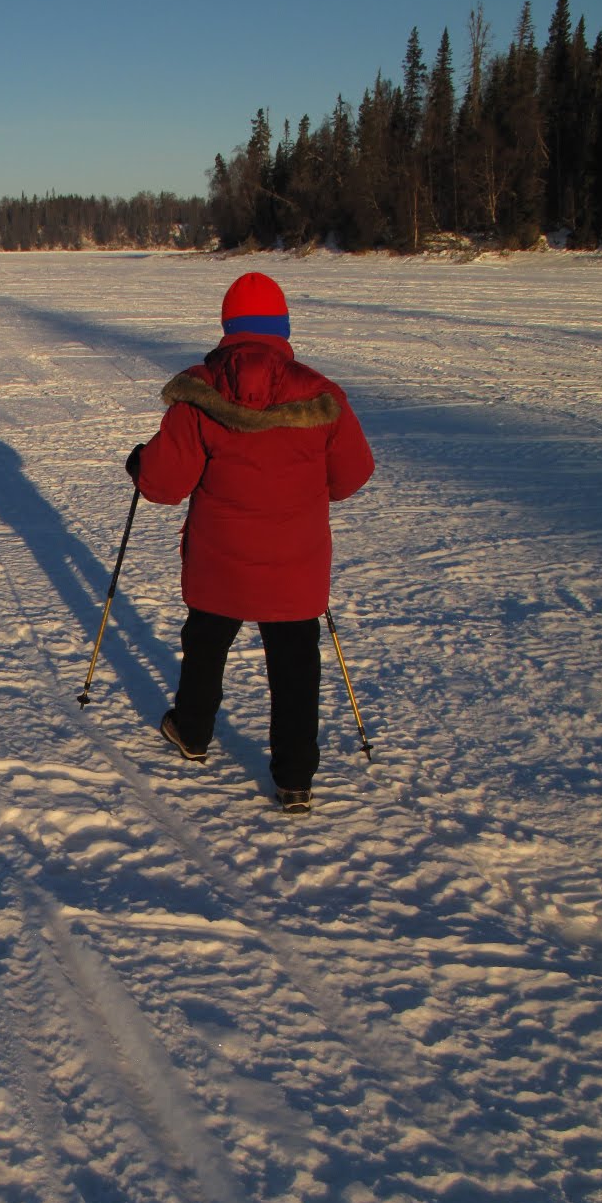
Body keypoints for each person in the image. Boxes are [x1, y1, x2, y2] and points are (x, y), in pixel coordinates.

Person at [126, 271, 374, 813]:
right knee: (294, 665)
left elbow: (164, 486)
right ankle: (294, 778)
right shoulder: (322, 396)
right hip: (295, 566)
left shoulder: (199, 392)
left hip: (221, 563)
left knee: (207, 643)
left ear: (227, 327)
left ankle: (191, 731)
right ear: (283, 326)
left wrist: (141, 464)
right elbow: (353, 476)